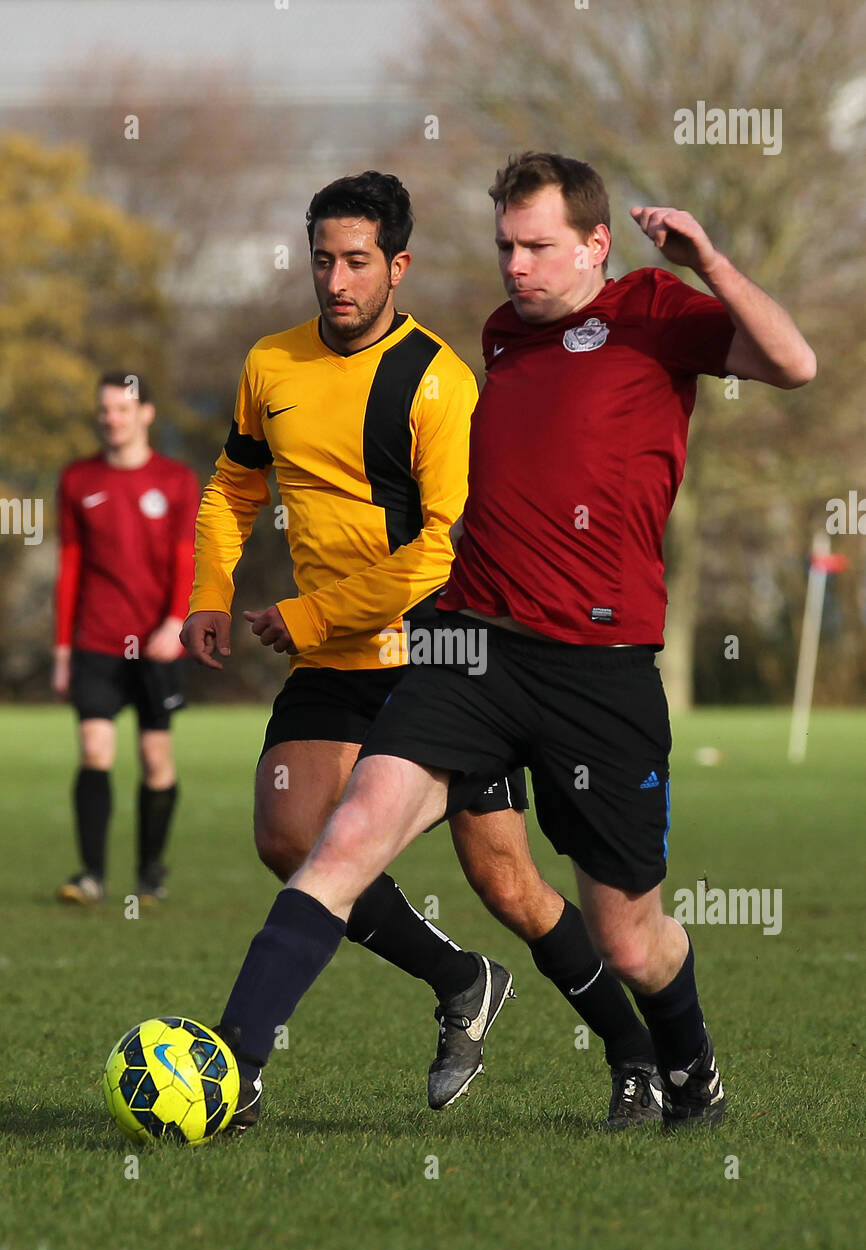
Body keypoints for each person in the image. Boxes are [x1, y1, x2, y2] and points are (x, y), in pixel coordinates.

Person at [182, 170, 661, 1126]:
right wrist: (210, 590)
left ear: (397, 265)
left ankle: (634, 1050)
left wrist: (314, 614)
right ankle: (443, 987)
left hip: (439, 658)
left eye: (357, 260)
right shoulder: (270, 364)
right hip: (331, 663)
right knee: (289, 837)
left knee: (510, 884)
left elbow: (444, 545)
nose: (336, 279)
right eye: (322, 259)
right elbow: (235, 487)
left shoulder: (440, 381)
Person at [54, 372, 199, 905]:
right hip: (95, 640)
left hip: (156, 643)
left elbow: (187, 557)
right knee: (95, 750)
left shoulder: (177, 480)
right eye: (105, 410)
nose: (111, 418)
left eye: (121, 409)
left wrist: (175, 622)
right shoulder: (77, 479)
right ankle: (91, 875)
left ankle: (149, 874)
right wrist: (62, 651)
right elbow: (69, 566)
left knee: (156, 757)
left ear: (146, 414)